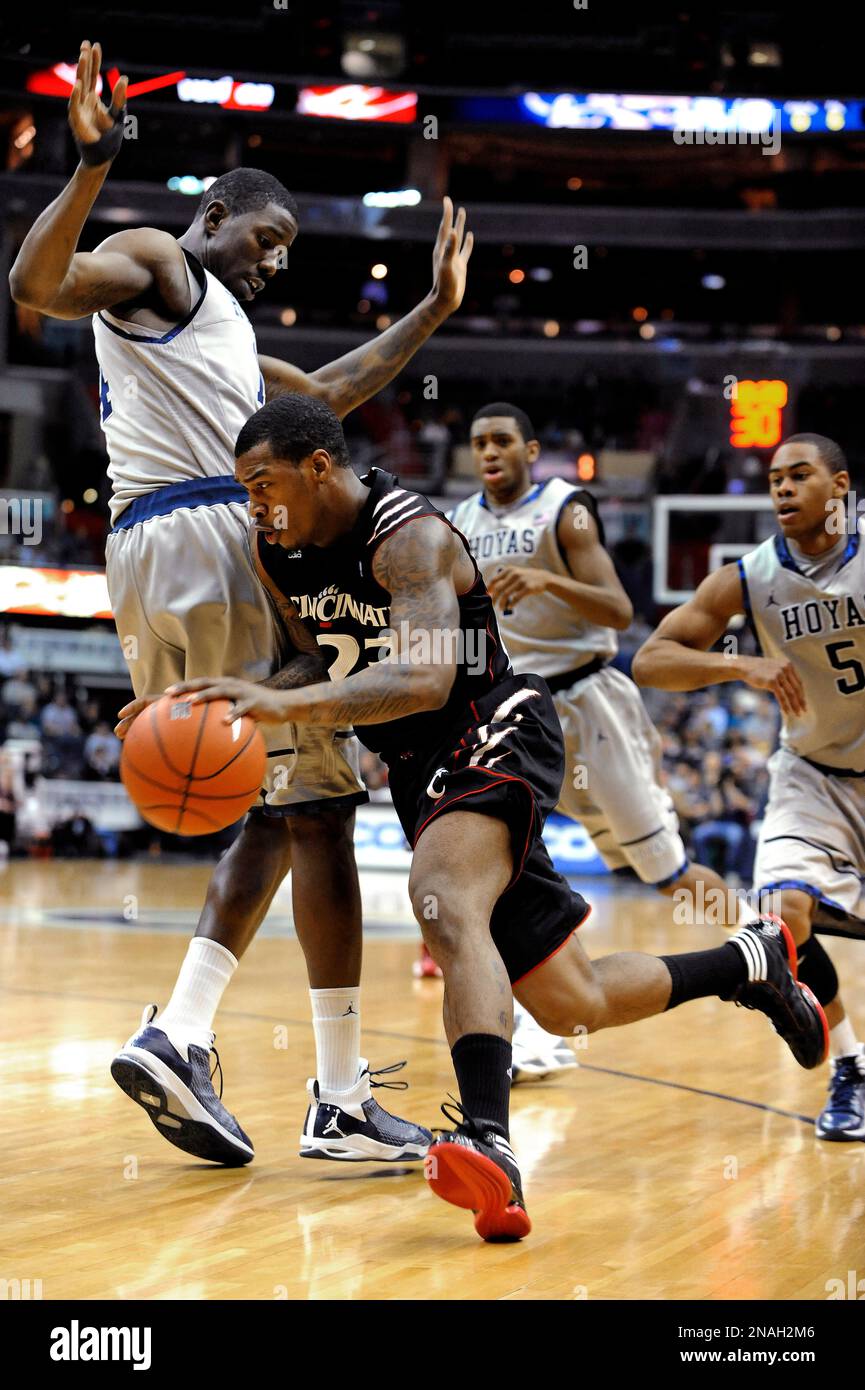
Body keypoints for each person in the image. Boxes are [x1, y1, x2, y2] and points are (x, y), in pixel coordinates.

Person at [150, 392, 827, 1241]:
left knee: (441, 897)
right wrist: (218, 706)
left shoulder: (410, 537)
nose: (252, 505)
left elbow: (425, 678)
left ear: (318, 467)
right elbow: (318, 662)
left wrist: (284, 707)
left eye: (261, 485)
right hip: (416, 770)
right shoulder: (274, 550)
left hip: (492, 725)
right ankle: (748, 962)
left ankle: (489, 1143)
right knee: (573, 1002)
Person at [10, 39, 473, 1166]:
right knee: (318, 806)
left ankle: (187, 1032)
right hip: (213, 531)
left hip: (147, 551)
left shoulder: (220, 329)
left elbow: (328, 398)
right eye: (267, 238)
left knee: (277, 802)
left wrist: (431, 310)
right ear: (215, 214)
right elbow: (35, 288)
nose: (275, 260)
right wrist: (94, 166)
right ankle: (334, 1093)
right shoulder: (159, 262)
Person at [446, 403, 754, 1080]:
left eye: (502, 441)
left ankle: (763, 941)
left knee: (665, 870)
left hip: (589, 701)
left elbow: (619, 610)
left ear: (531, 451)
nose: (489, 452)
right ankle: (531, 1031)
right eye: (478, 443)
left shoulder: (566, 510)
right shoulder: (461, 521)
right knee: (500, 870)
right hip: (517, 711)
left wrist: (547, 579)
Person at [633, 432, 865, 1142]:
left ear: (840, 486)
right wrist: (741, 667)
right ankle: (850, 1067)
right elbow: (652, 659)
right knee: (782, 910)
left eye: (800, 475)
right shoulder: (750, 575)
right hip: (813, 773)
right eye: (774, 479)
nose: (783, 488)